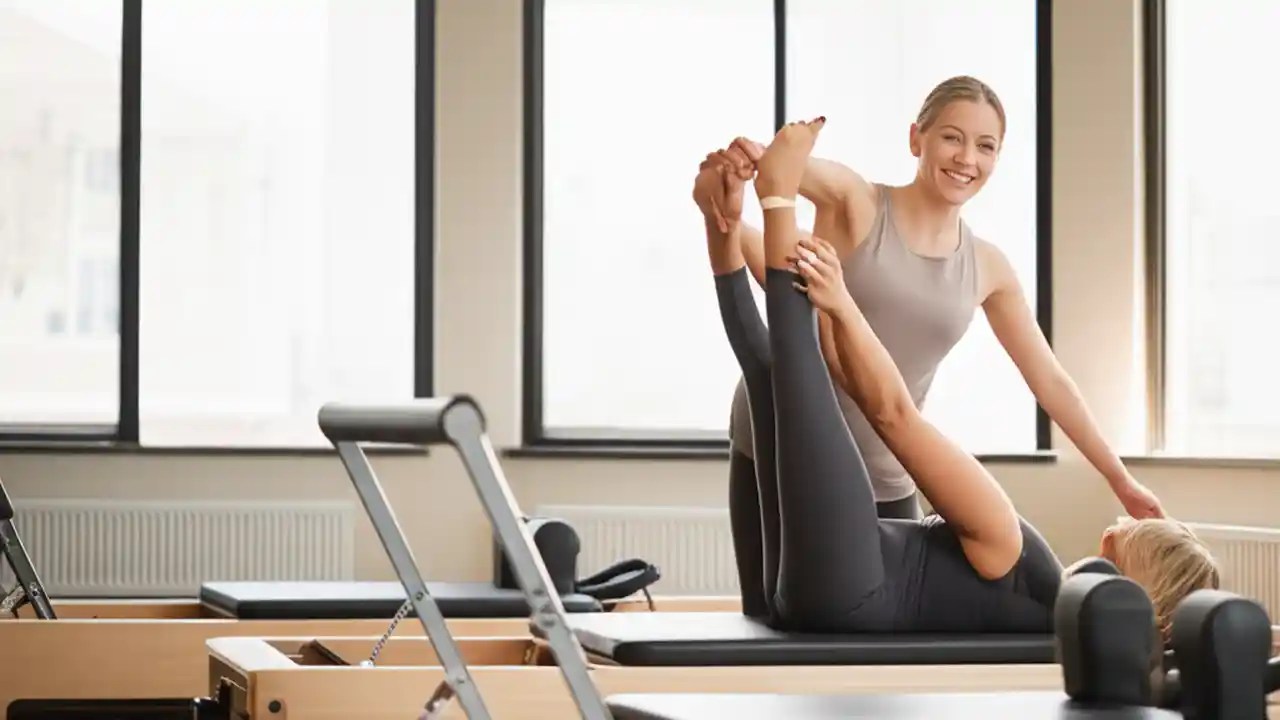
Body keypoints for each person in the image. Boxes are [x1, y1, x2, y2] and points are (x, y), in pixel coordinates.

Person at [696, 113, 1220, 643]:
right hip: (815, 597)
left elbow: (894, 415)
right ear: (918, 139)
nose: (967, 156)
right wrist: (730, 228)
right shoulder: (1048, 623)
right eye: (953, 138)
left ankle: (773, 199)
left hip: (851, 577)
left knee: (791, 359)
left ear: (1109, 546)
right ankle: (726, 219)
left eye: (985, 145)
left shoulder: (1016, 551)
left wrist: (798, 224)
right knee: (772, 373)